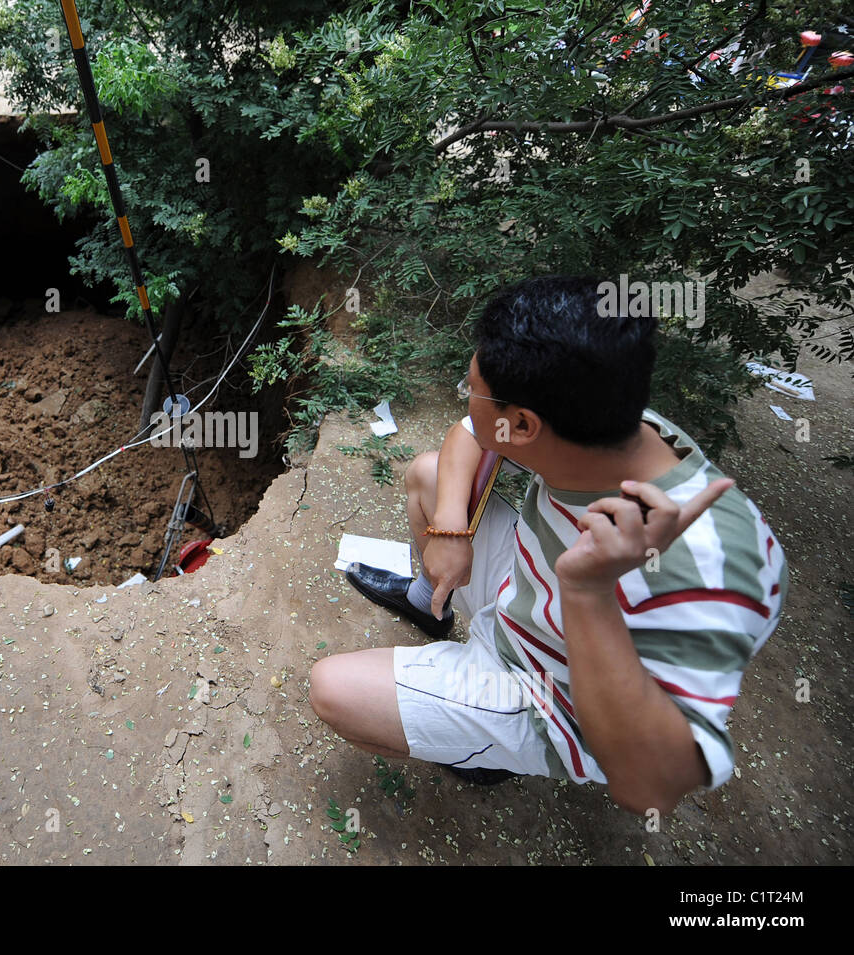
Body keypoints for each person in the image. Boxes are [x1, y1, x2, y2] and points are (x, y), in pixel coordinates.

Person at [309, 276, 787, 816]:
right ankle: (430, 604)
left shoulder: (713, 567)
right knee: (429, 477)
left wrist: (587, 591)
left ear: (522, 425)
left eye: (472, 389)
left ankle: (486, 753)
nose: (466, 399)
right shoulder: (613, 422)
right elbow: (469, 435)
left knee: (333, 690)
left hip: (555, 693)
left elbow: (649, 788)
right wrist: (449, 531)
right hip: (525, 600)